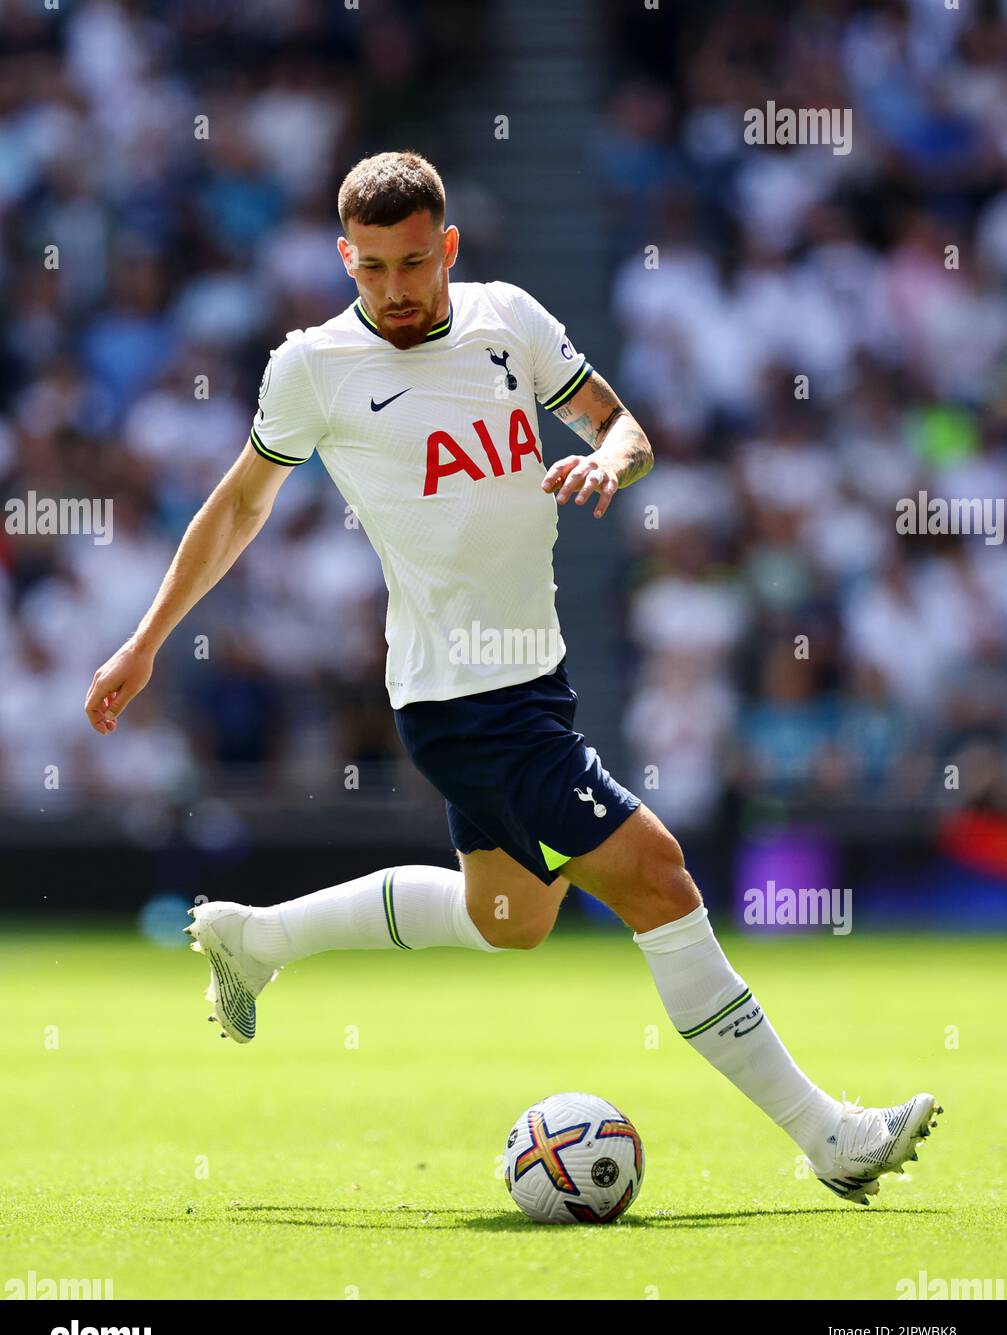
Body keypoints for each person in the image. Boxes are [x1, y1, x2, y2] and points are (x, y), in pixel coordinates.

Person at [85, 151, 940, 1207]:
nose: (394, 290)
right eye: (371, 270)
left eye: (411, 264)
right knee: (658, 875)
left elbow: (623, 428)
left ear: (444, 247)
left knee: (511, 917)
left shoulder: (508, 321)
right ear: (343, 260)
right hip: (458, 698)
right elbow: (238, 505)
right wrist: (146, 638)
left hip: (533, 680)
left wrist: (606, 463)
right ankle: (829, 1134)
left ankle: (256, 937)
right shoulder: (313, 367)